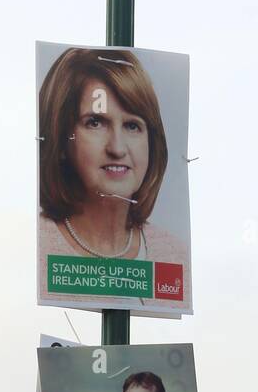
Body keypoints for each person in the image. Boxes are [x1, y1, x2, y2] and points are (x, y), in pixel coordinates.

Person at [38, 47, 187, 299]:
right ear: (61, 138)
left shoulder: (173, 253)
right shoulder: (40, 246)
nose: (117, 148)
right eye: (95, 123)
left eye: (132, 125)